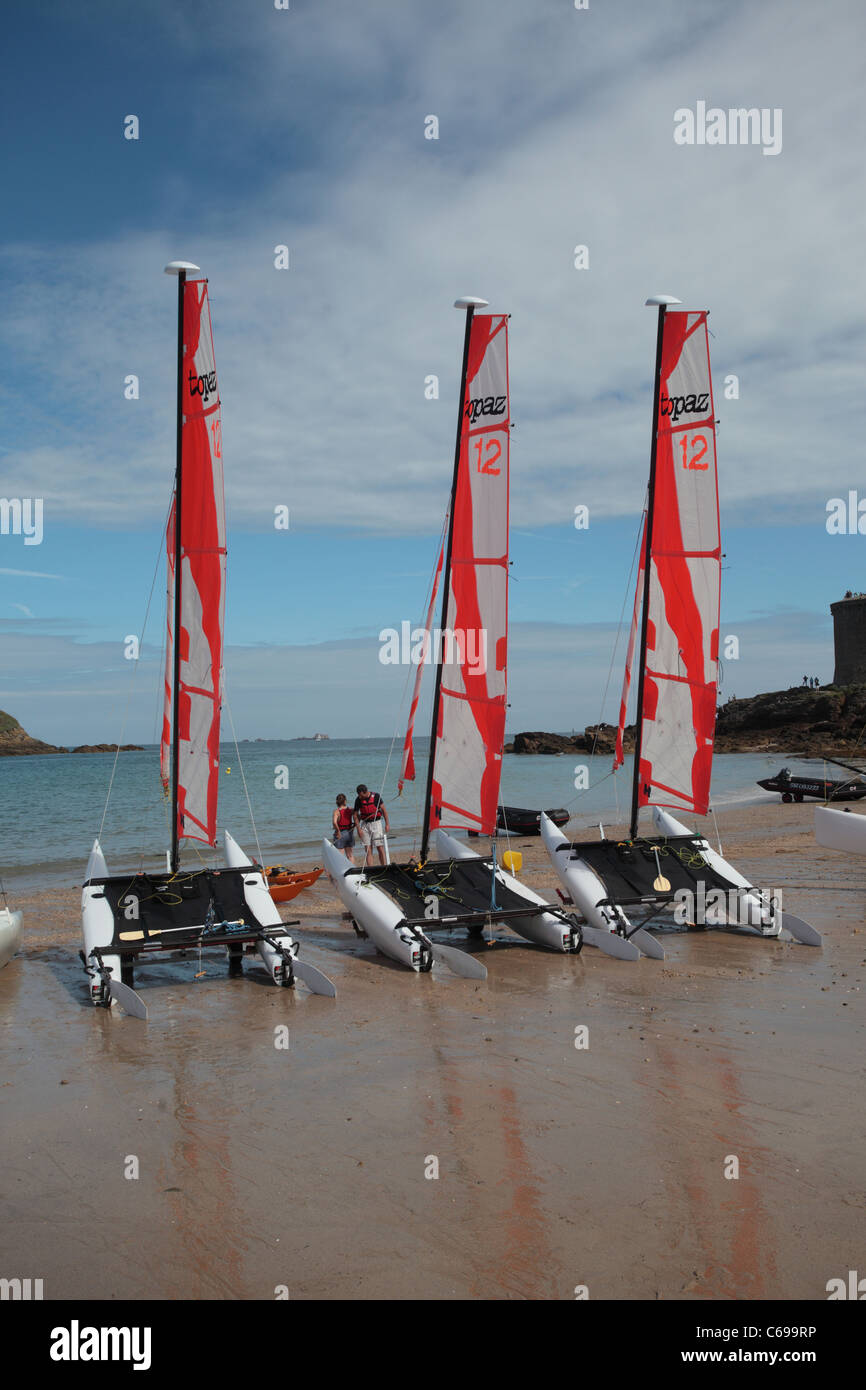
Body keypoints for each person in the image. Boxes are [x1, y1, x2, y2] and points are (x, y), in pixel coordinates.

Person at [354, 783, 390, 866]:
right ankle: (370, 868)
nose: (359, 797)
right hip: (365, 825)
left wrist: (387, 824)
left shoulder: (376, 796)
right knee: (367, 849)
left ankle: (383, 866)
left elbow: (384, 811)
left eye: (360, 795)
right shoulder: (358, 800)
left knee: (379, 847)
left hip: (376, 824)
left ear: (365, 792)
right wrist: (358, 829)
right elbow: (355, 815)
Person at [332, 793, 355, 863]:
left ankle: (341, 871)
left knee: (340, 855)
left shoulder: (336, 811)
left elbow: (334, 822)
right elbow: (358, 817)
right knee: (350, 855)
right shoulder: (350, 809)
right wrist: (354, 825)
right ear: (345, 801)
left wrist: (338, 831)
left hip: (341, 833)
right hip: (349, 832)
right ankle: (352, 870)